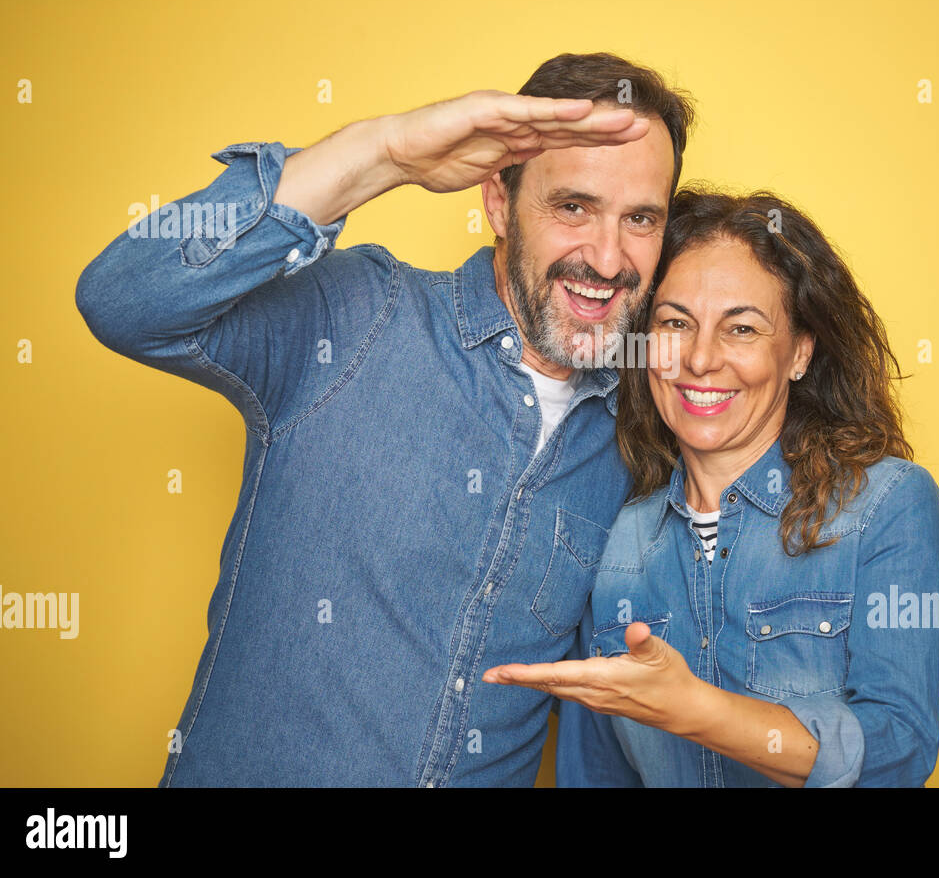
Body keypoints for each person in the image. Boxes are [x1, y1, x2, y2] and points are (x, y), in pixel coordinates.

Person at [74, 53, 696, 786]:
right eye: (573, 207)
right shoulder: (359, 317)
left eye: (641, 219)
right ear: (498, 199)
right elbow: (125, 300)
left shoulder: (646, 427)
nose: (606, 256)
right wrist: (384, 153)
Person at [484, 188, 939, 786]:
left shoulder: (889, 505)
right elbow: (595, 772)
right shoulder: (612, 537)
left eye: (742, 329)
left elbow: (900, 751)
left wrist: (700, 712)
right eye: (675, 323)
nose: (701, 359)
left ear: (800, 353)